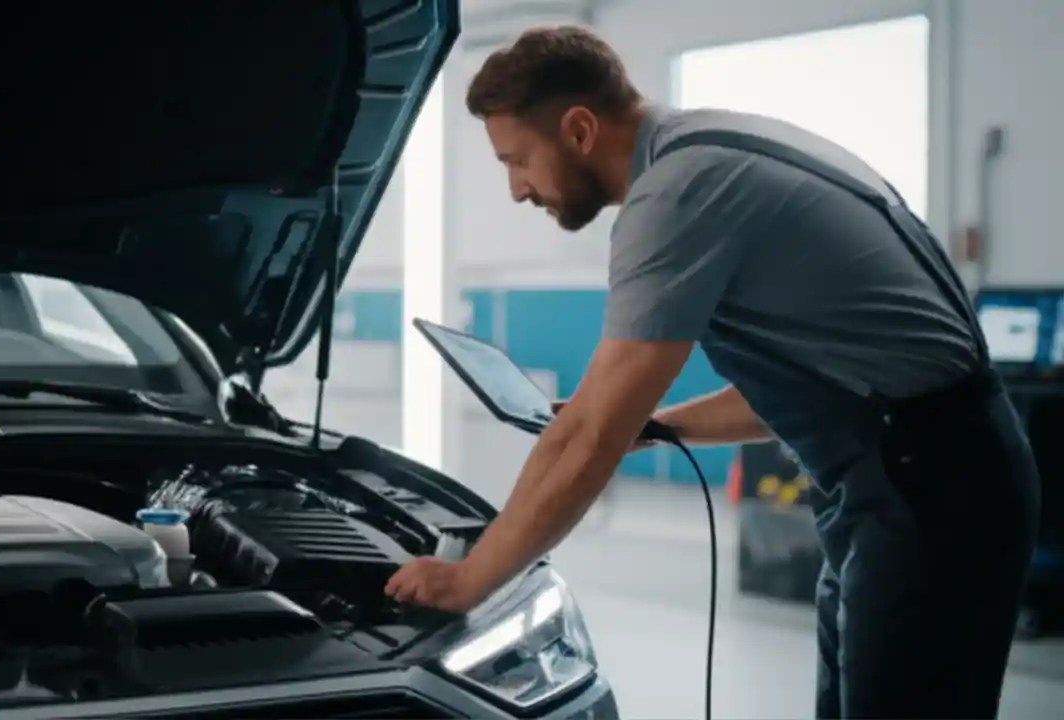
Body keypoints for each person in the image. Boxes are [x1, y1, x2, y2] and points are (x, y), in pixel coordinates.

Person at [383, 25, 1041, 719]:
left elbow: (589, 437)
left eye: (517, 161)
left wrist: (468, 581)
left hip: (933, 487)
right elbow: (833, 387)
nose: (517, 189)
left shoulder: (676, 195)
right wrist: (662, 424)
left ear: (578, 129)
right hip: (913, 474)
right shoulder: (709, 146)